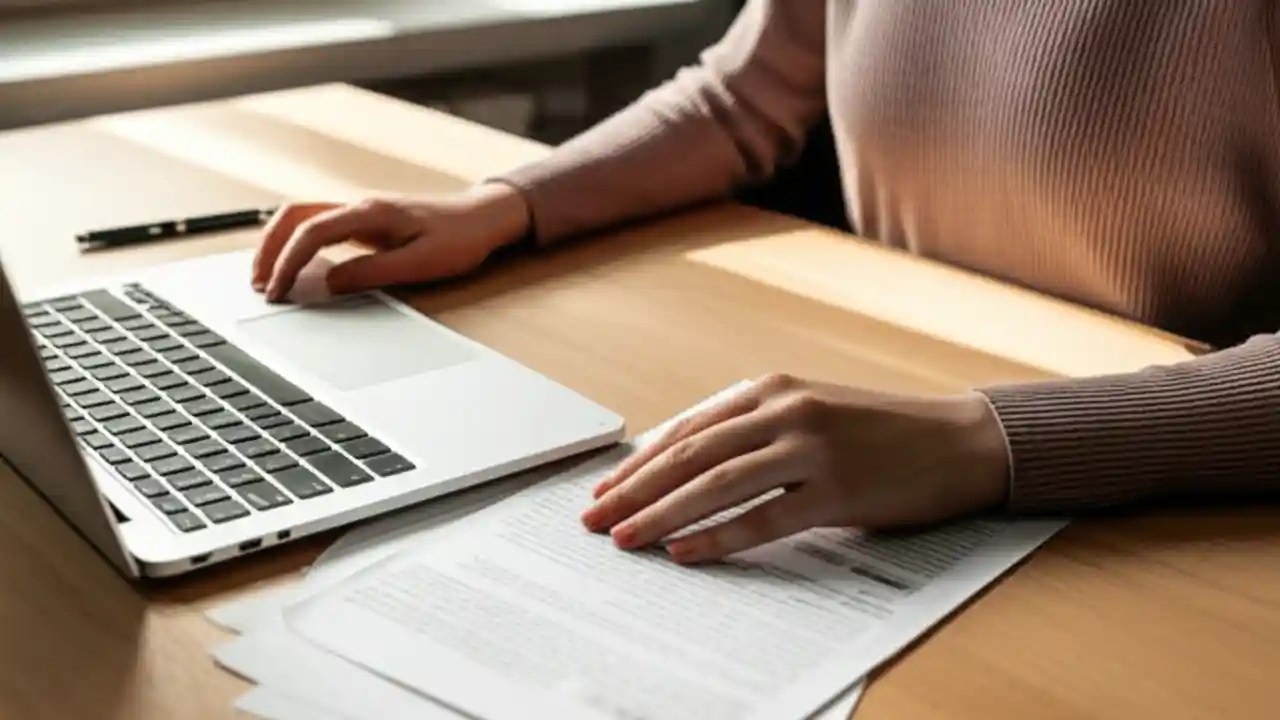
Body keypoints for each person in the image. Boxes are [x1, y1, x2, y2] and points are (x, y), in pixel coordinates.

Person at [251, 1, 1280, 564]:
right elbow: (740, 98)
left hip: (1161, 490)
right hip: (883, 414)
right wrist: (504, 204)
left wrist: (989, 440)